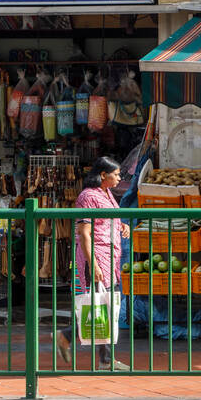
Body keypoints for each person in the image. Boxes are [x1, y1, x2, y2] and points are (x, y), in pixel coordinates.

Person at [56, 156, 131, 370]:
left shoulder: (106, 194)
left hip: (110, 257)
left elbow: (109, 220)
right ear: (102, 175)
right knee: (101, 305)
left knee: (105, 304)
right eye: (116, 174)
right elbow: (84, 233)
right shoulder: (87, 196)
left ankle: (75, 342)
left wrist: (121, 227)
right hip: (97, 257)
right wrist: (94, 264)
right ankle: (77, 342)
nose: (119, 177)